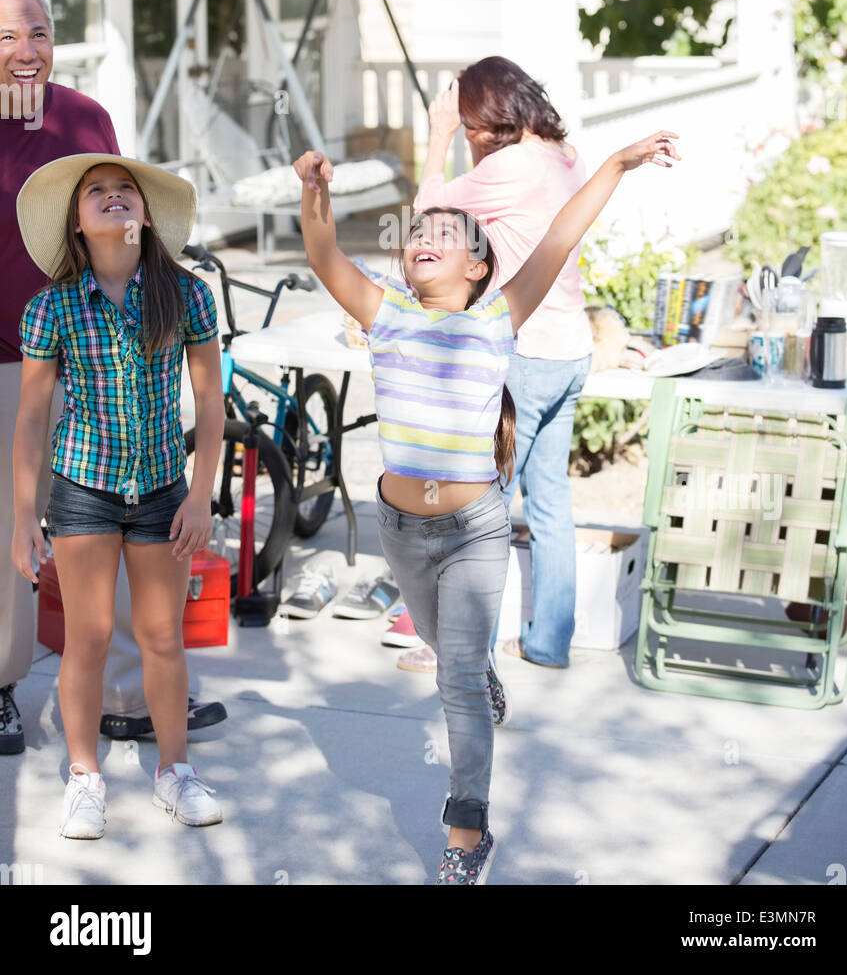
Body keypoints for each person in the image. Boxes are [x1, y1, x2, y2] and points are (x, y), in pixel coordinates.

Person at [294, 126, 680, 884]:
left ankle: (466, 830)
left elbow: (560, 237)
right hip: (402, 531)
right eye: (418, 234)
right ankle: (479, 679)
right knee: (452, 660)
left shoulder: (495, 320)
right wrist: (315, 189)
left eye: (446, 231)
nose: (425, 238)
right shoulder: (385, 314)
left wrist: (615, 165)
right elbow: (323, 255)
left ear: (477, 266)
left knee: (457, 680)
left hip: (475, 530)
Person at [0, 0, 226, 756]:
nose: (25, 49)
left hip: (110, 344)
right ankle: (5, 684)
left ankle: (135, 693)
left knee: (129, 506)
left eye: (38, 32)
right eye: (7, 37)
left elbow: (125, 211)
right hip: (16, 356)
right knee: (18, 522)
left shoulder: (82, 119)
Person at [11, 154, 226, 837]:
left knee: (163, 635)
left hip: (164, 488)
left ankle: (175, 771)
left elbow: (211, 399)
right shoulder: (50, 307)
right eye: (96, 192)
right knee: (90, 637)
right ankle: (84, 777)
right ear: (76, 223)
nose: (112, 198)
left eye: (124, 189)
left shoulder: (186, 294)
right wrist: (24, 515)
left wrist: (201, 494)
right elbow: (33, 417)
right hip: (83, 488)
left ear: (144, 214)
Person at [413, 57, 596, 669]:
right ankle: (548, 642)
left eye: (468, 125)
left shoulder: (511, 167)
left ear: (486, 122)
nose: (464, 135)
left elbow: (430, 219)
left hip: (524, 354)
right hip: (571, 349)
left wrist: (437, 137)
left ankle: (471, 656)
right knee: (550, 504)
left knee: (485, 511)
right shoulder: (560, 154)